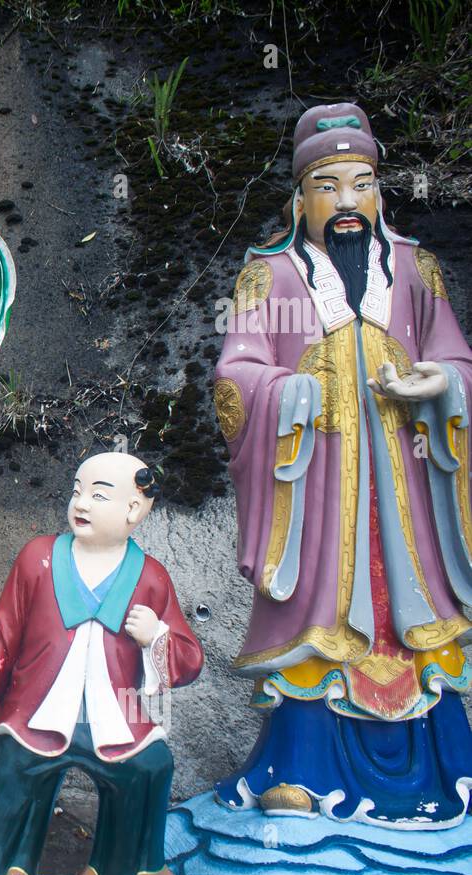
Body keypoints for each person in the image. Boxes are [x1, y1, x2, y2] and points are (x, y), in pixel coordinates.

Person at [213, 103, 472, 825]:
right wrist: (294, 392)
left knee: (415, 609)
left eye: (364, 183)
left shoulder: (417, 270)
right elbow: (236, 377)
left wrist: (441, 383)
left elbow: (456, 357)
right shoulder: (268, 276)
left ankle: (452, 764)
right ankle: (300, 766)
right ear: (301, 199)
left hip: (407, 477)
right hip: (320, 482)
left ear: (381, 192)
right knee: (323, 605)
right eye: (330, 185)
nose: (350, 202)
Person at [0, 453, 203, 875]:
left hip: (116, 717)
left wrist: (157, 637)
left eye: (98, 494)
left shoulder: (150, 577)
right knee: (15, 763)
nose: (81, 503)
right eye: (76, 491)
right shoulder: (39, 558)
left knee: (150, 767)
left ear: (134, 509)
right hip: (37, 709)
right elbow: (4, 629)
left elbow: (189, 657)